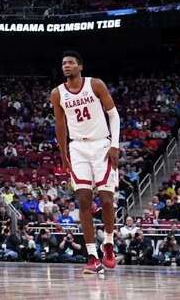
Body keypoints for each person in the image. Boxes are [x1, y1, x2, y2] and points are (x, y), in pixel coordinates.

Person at [52, 51, 121, 275]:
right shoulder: (58, 93)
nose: (66, 66)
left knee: (107, 199)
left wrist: (115, 144)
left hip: (101, 144)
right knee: (83, 199)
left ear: (80, 66)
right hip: (77, 147)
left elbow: (114, 115)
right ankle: (91, 256)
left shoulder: (95, 84)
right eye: (64, 63)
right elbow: (60, 126)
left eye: (71, 63)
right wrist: (63, 154)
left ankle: (108, 243)